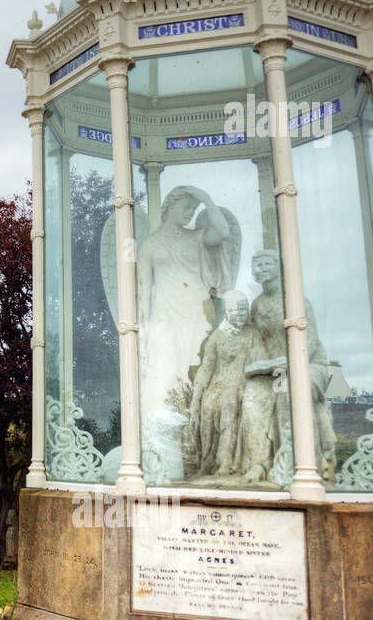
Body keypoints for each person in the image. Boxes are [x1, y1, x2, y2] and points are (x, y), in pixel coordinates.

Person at [235, 250, 336, 482]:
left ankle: (299, 464)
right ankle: (258, 463)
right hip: (274, 370)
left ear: (279, 268)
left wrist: (282, 363)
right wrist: (260, 365)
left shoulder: (297, 300)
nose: (261, 268)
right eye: (257, 265)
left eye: (267, 263)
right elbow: (256, 341)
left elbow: (308, 344)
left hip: (306, 365)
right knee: (251, 397)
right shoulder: (257, 305)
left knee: (288, 391)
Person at [137, 185, 234, 414]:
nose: (190, 211)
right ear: (170, 205)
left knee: (199, 366)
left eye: (194, 207)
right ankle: (170, 420)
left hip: (198, 311)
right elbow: (143, 289)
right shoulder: (149, 245)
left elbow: (223, 232)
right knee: (167, 366)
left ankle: (198, 423)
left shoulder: (197, 237)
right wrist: (143, 331)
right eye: (186, 206)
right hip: (166, 311)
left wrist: (206, 199)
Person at [184, 290, 253, 476]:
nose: (240, 315)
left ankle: (226, 462)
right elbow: (206, 367)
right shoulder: (216, 337)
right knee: (206, 409)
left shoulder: (251, 335)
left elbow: (260, 361)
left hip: (239, 385)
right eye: (236, 311)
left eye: (243, 310)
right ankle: (207, 462)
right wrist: (197, 392)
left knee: (228, 407)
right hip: (217, 386)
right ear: (227, 313)